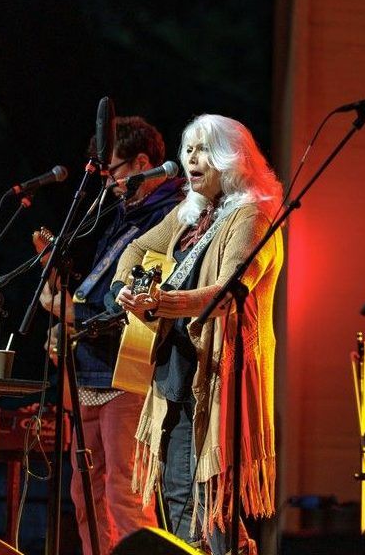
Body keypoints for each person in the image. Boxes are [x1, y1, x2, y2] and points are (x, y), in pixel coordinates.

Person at [110, 114, 283, 555]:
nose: (191, 159)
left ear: (231, 159)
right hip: (175, 372)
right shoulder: (190, 213)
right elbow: (134, 248)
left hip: (219, 378)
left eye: (203, 149)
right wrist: (126, 287)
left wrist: (162, 304)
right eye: (188, 149)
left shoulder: (251, 215)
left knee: (210, 506)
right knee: (179, 497)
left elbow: (228, 291)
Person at [39, 116, 183, 554]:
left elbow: (137, 305)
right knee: (87, 495)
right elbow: (101, 290)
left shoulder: (170, 217)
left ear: (143, 162)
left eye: (114, 171)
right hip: (90, 371)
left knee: (125, 495)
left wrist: (69, 310)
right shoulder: (122, 217)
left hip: (130, 371)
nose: (108, 183)